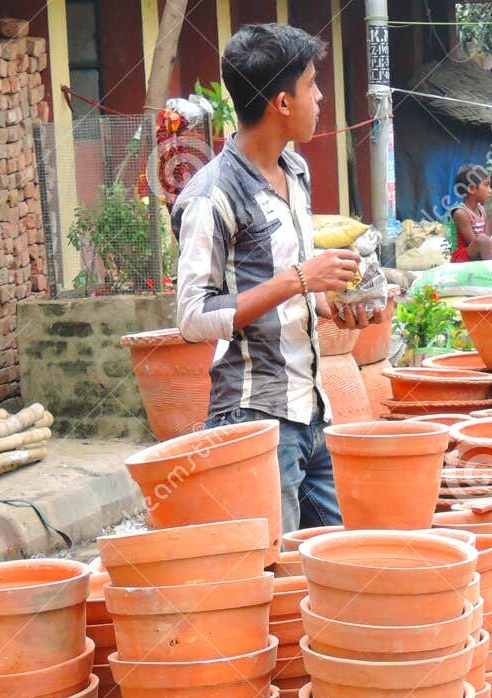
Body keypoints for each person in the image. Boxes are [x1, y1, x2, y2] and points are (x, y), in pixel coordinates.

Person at [173, 22, 370, 530]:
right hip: (253, 415)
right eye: (311, 84)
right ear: (282, 103)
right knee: (277, 575)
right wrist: (300, 280)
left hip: (310, 409)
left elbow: (291, 286)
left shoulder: (295, 171)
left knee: (331, 560)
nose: (321, 96)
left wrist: (333, 305)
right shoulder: (210, 196)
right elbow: (194, 318)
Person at [448, 164, 492, 262]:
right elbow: (475, 243)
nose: (490, 190)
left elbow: (487, 239)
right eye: (486, 185)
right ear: (471, 189)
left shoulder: (481, 209)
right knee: (482, 239)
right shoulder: (461, 213)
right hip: (465, 255)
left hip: (483, 251)